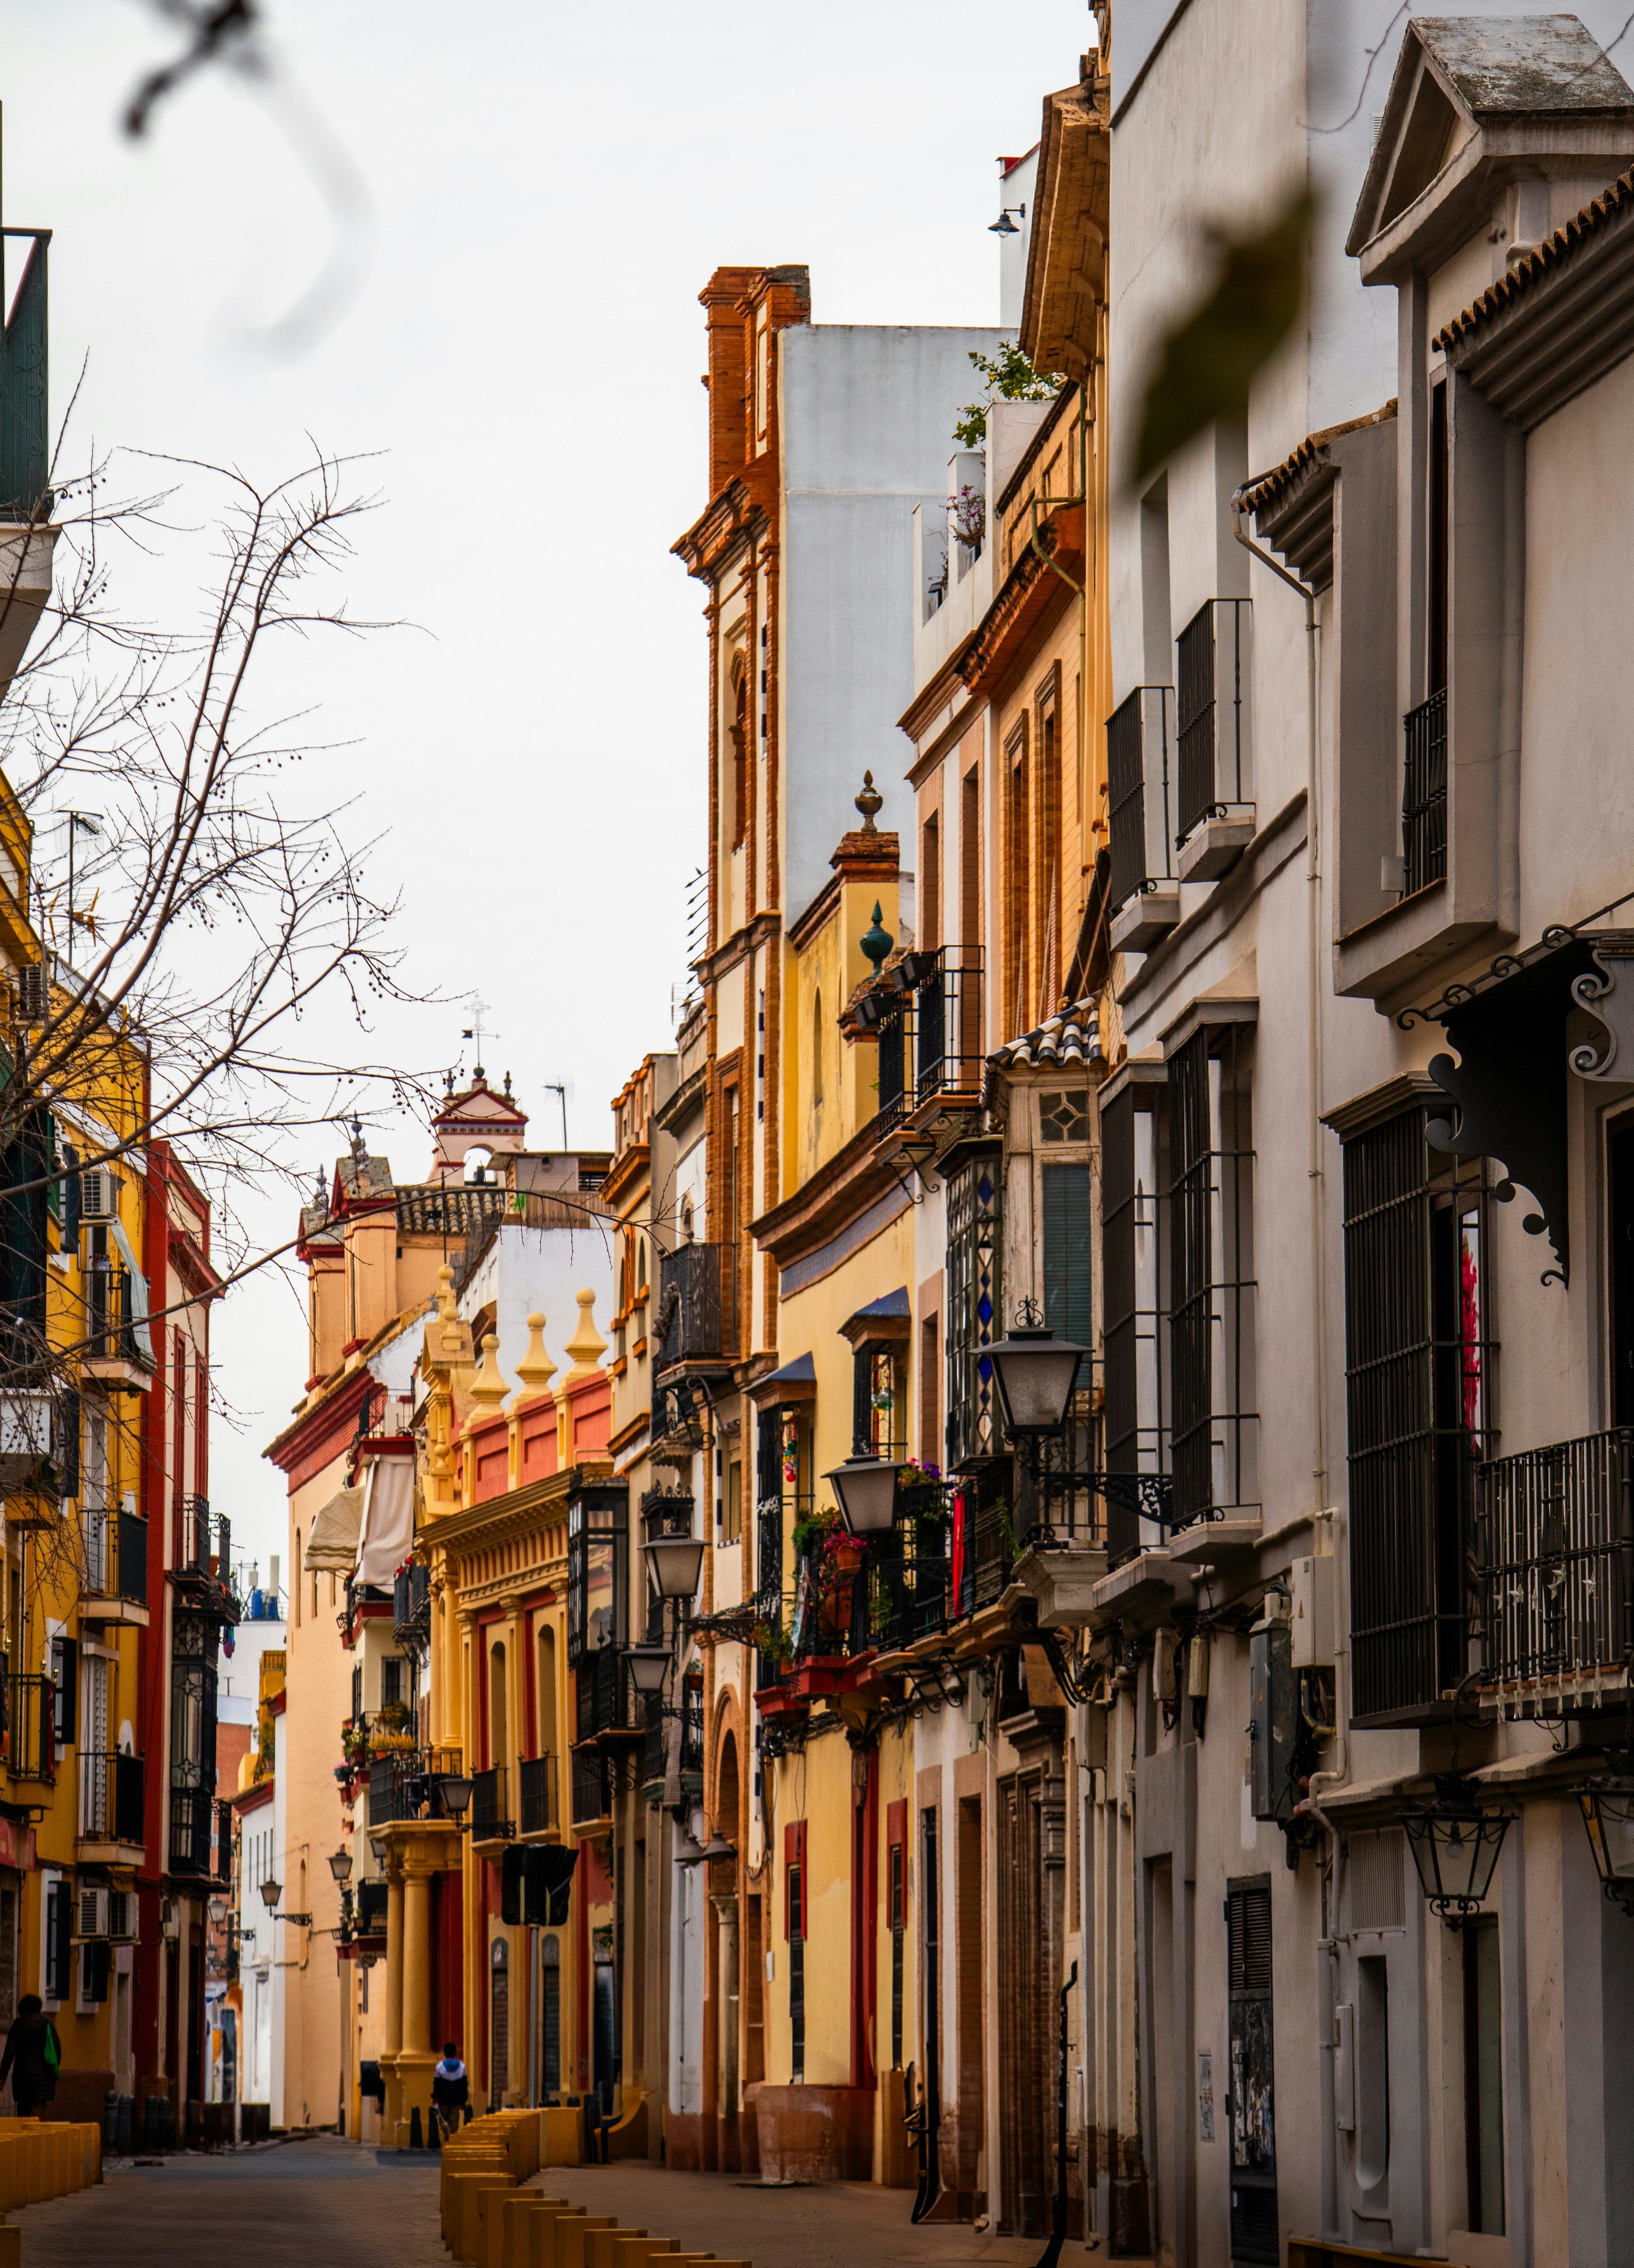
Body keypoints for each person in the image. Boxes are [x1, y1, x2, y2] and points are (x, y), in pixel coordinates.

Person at [0, 1994, 59, 2118]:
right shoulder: (48, 2025)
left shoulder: (17, 2027)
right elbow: (57, 2049)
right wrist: (52, 2070)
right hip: (44, 2078)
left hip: (23, 2077)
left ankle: (24, 2135)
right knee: (39, 2111)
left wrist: (3, 2076)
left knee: (24, 2113)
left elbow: (9, 2053)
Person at [430, 2041, 469, 2144]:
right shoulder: (462, 2066)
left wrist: (435, 2097)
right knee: (454, 2120)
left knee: (443, 2119)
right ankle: (452, 2138)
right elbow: (464, 2085)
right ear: (455, 2052)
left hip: (443, 2099)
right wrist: (464, 2100)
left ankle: (446, 2130)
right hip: (457, 2099)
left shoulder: (440, 2067)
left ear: (444, 2053)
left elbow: (437, 2084)